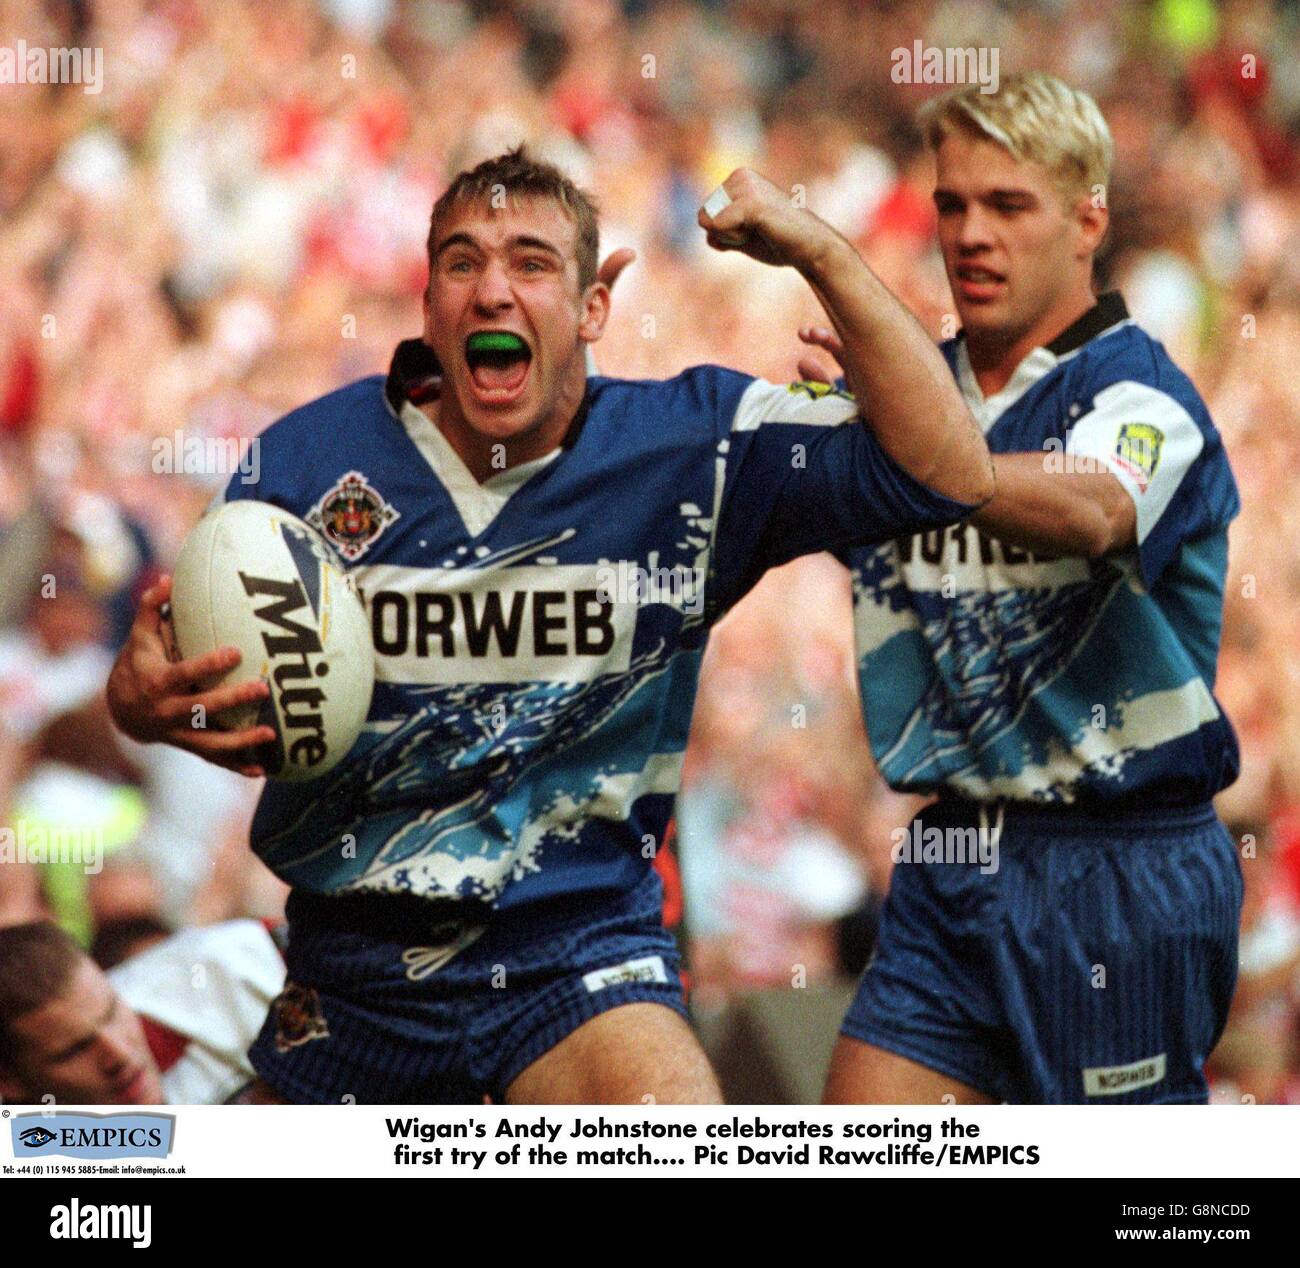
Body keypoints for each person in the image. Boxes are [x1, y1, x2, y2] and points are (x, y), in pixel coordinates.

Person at [107, 146, 992, 1105]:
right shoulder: (299, 466)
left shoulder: (696, 453)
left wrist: (821, 248)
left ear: (591, 309)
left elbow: (952, 474)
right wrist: (146, 706)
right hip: (354, 965)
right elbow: (183, 691)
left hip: (576, 955)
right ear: (430, 305)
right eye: (460, 262)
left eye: (530, 262)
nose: (492, 289)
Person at [797, 73, 1243, 1104]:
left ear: (1088, 218)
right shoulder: (904, 393)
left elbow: (1092, 509)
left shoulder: (1142, 393)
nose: (970, 233)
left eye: (1008, 205)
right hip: (951, 851)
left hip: (1119, 862)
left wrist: (912, 448)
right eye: (952, 203)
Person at [0, 918, 284, 1105]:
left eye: (111, 1012)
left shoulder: (232, 966)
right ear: (8, 1082)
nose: (120, 1055)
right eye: (75, 1050)